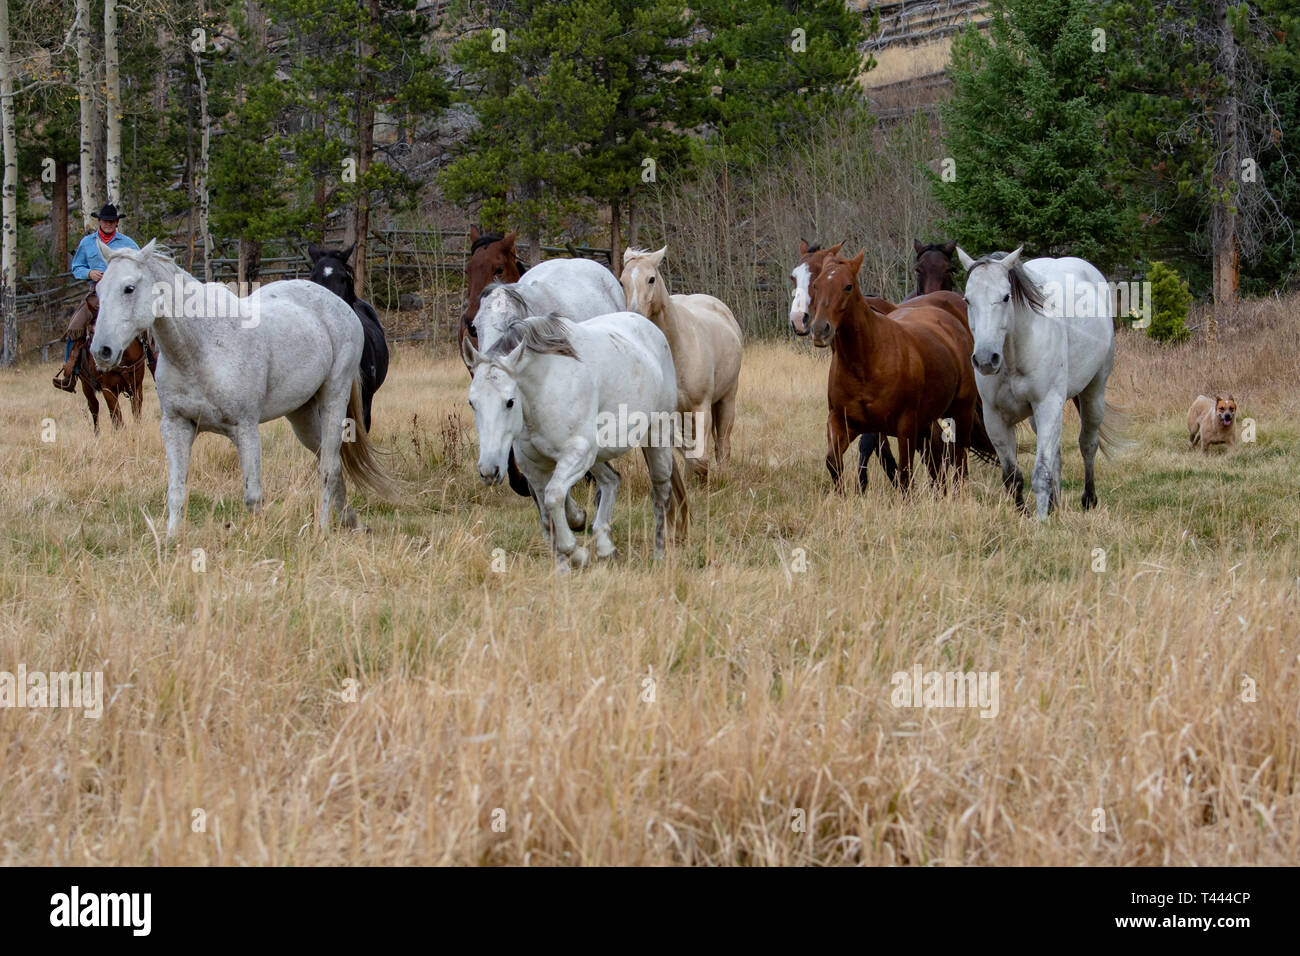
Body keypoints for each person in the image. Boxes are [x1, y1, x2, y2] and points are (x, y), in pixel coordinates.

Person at [63, 204, 139, 363]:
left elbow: (140, 267)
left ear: (117, 222)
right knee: (74, 328)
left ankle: (154, 365)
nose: (108, 223)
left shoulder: (129, 243)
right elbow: (77, 267)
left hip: (123, 294)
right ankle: (70, 371)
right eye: (105, 221)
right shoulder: (87, 243)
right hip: (95, 293)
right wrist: (89, 273)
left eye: (112, 221)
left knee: (147, 329)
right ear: (99, 222)